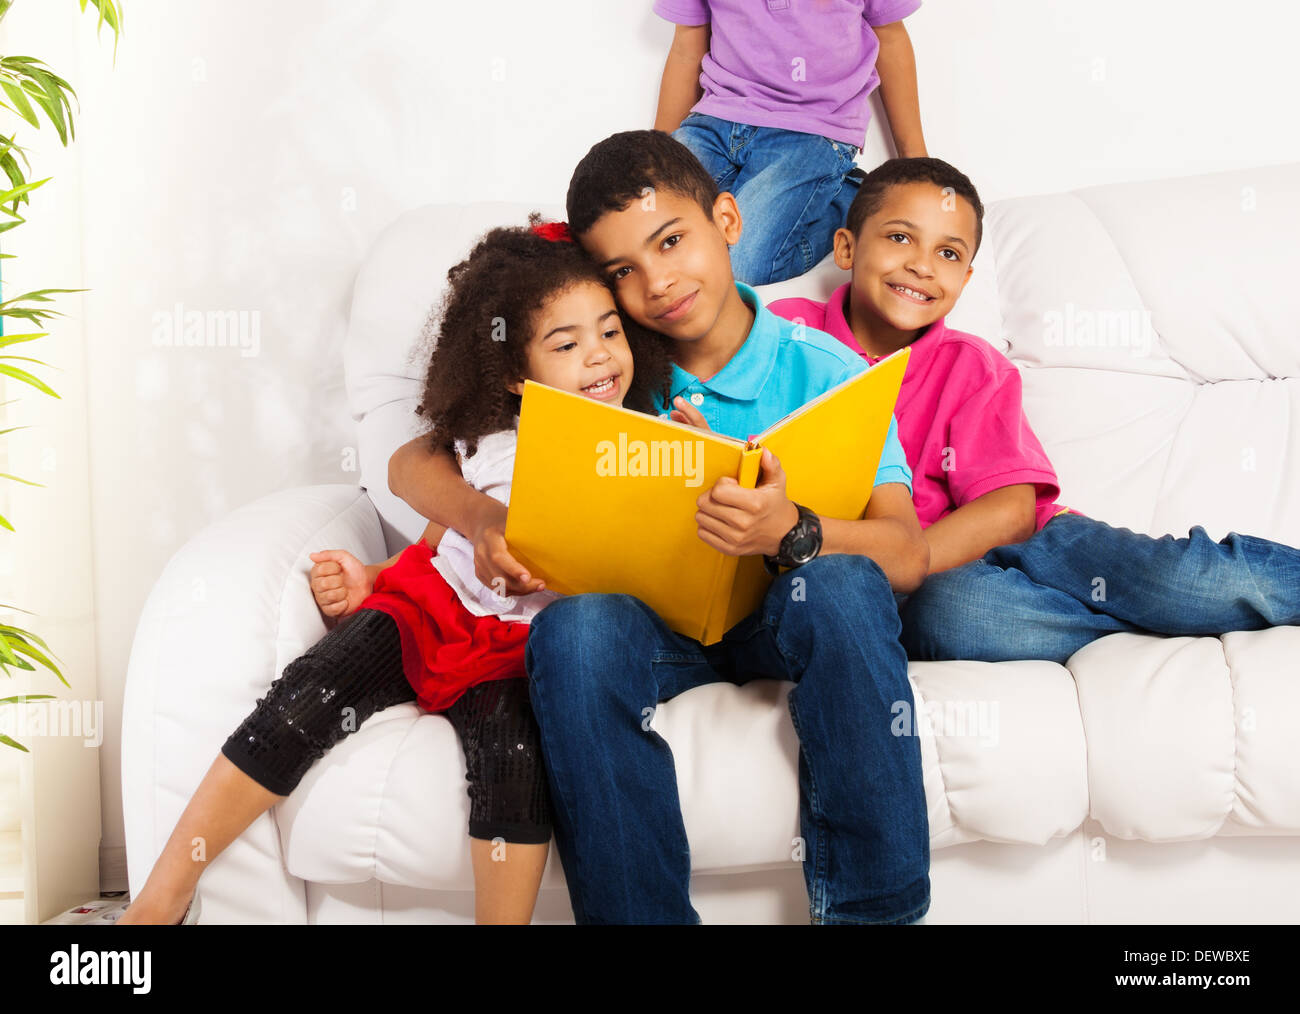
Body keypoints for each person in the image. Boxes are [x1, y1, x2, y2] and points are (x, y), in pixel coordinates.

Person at [390, 130, 933, 925]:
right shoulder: (601, 364)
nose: (658, 282)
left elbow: (908, 555)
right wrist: (486, 519)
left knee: (844, 584)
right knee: (574, 630)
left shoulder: (826, 368)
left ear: (728, 220)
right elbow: (413, 461)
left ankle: (872, 915)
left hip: (780, 622)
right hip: (655, 634)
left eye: (672, 241)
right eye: (622, 272)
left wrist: (793, 529)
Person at [119, 216, 675, 925]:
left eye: (609, 332)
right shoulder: (488, 441)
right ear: (513, 370)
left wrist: (675, 469)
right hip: (429, 605)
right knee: (306, 693)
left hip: (517, 653)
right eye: (567, 344)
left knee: (513, 762)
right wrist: (377, 578)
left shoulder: (643, 444)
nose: (599, 358)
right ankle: (160, 898)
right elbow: (443, 533)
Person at [766, 156, 1300, 663]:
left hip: (1036, 544)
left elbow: (1012, 510)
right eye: (900, 237)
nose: (921, 265)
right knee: (956, 618)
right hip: (935, 590)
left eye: (948, 253)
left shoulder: (970, 366)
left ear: (966, 280)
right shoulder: (786, 335)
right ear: (846, 248)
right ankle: (1140, 629)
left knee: (1178, 583)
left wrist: (904, 560)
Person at [653, 0, 927, 286]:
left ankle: (851, 199)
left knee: (738, 270)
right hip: (716, 121)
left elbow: (891, 37)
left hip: (811, 132)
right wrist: (654, 156)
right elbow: (687, 46)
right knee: (655, 229)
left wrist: (915, 163)